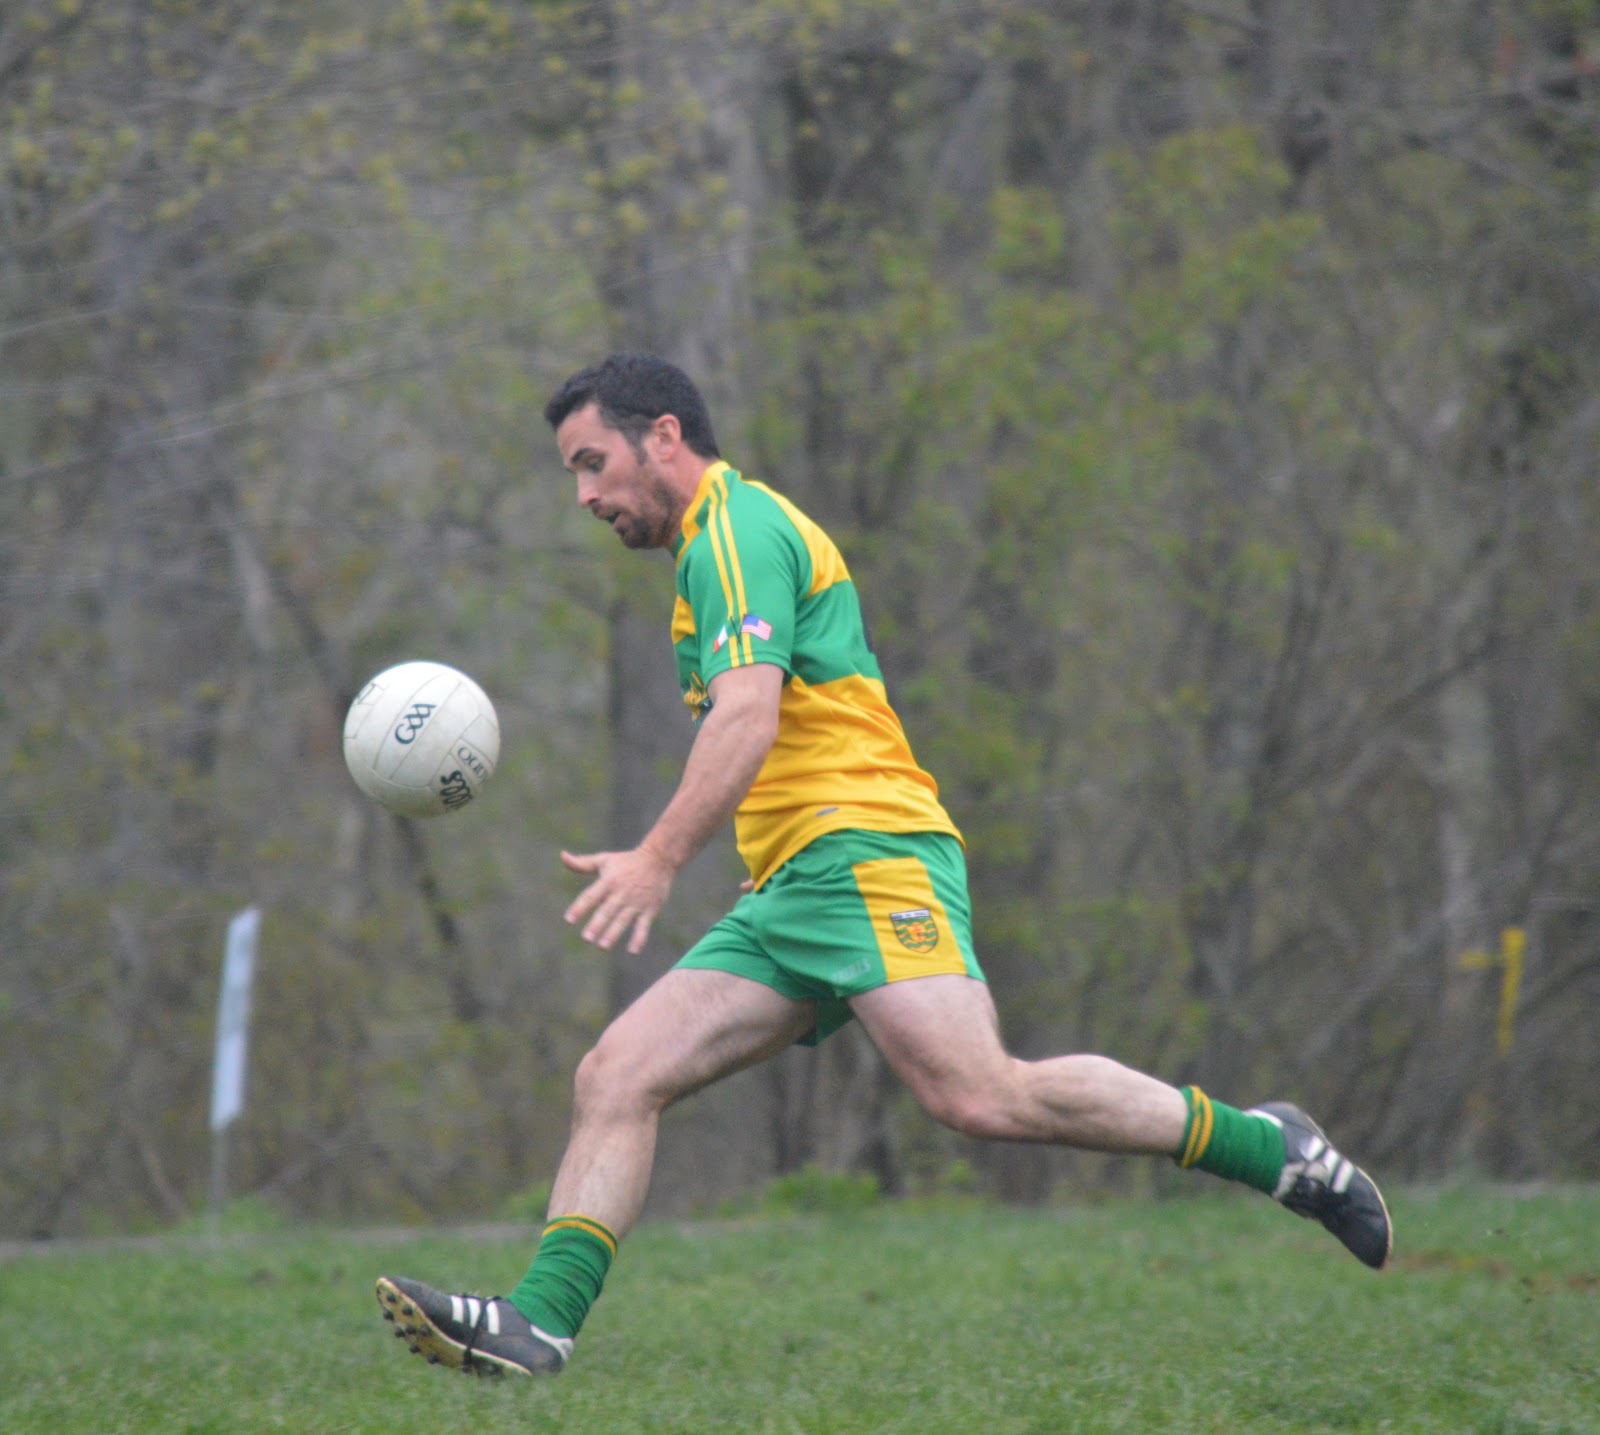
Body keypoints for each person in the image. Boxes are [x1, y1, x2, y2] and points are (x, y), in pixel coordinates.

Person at [375, 353, 1392, 1378]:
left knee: (981, 1096)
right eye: (574, 475)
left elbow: (748, 713)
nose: (587, 495)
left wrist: (656, 858)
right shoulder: (713, 547)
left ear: (667, 437)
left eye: (594, 463)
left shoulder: (735, 532)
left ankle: (1274, 1149)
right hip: (797, 882)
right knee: (618, 1074)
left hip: (865, 850)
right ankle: (538, 1325)